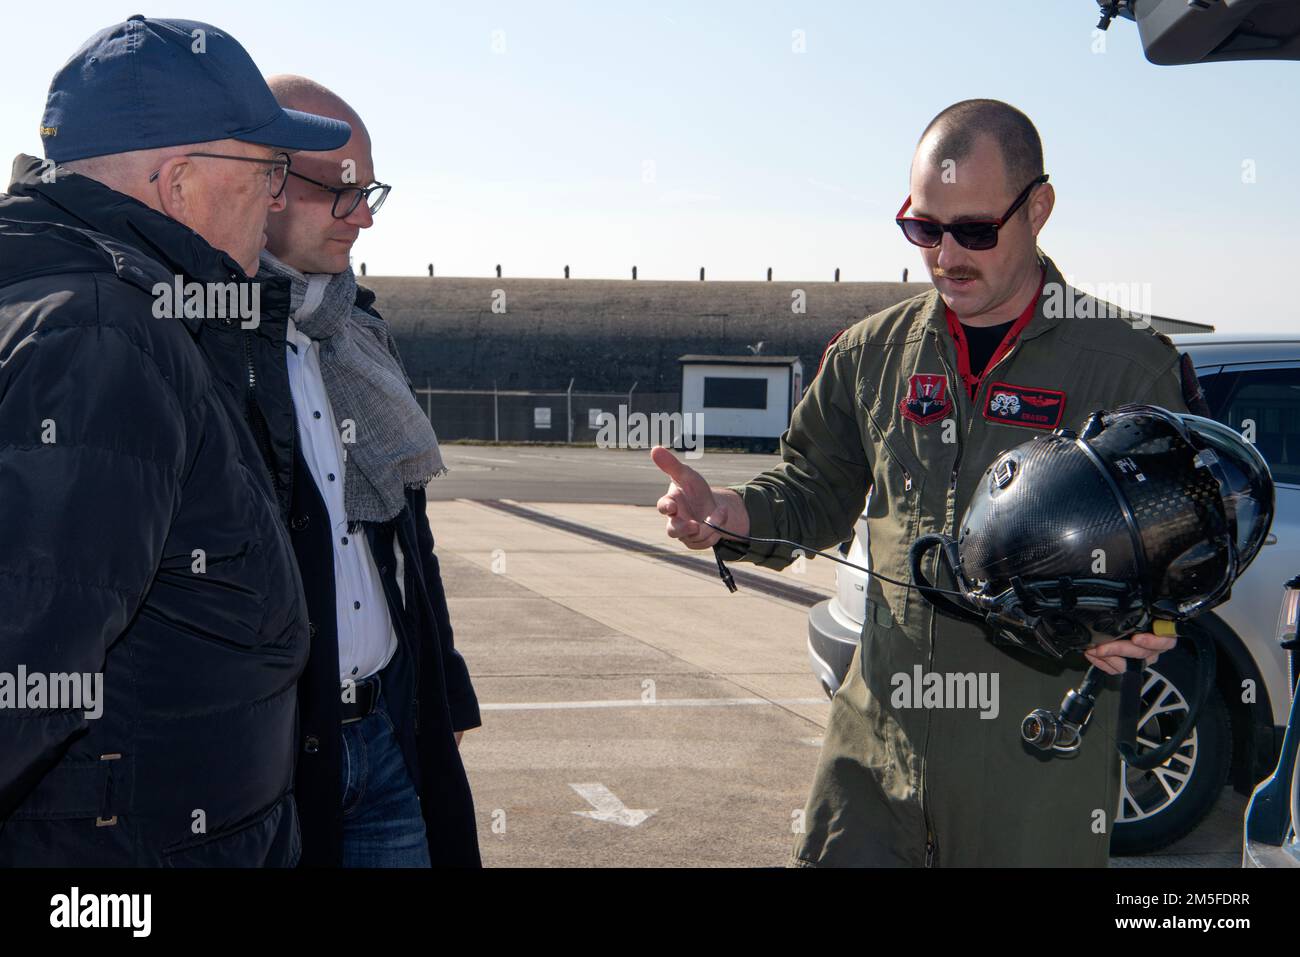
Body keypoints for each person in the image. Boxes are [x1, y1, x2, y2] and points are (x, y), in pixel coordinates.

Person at [653, 99, 1195, 867]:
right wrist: (729, 513)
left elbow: (1182, 553)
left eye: (974, 230)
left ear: (1038, 208)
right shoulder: (873, 353)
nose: (946, 255)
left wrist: (1149, 627)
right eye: (924, 228)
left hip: (1032, 769)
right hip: (874, 758)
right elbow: (813, 484)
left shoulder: (1128, 364)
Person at [0, 17, 351, 865]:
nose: (277, 198)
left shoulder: (109, 302)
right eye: (268, 171)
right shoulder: (101, 335)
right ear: (181, 183)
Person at [255, 75, 481, 867]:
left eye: (370, 190)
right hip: (275, 759)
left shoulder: (360, 331)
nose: (366, 215)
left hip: (388, 731)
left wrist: (444, 688)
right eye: (341, 192)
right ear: (267, 181)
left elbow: (408, 539)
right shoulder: (207, 340)